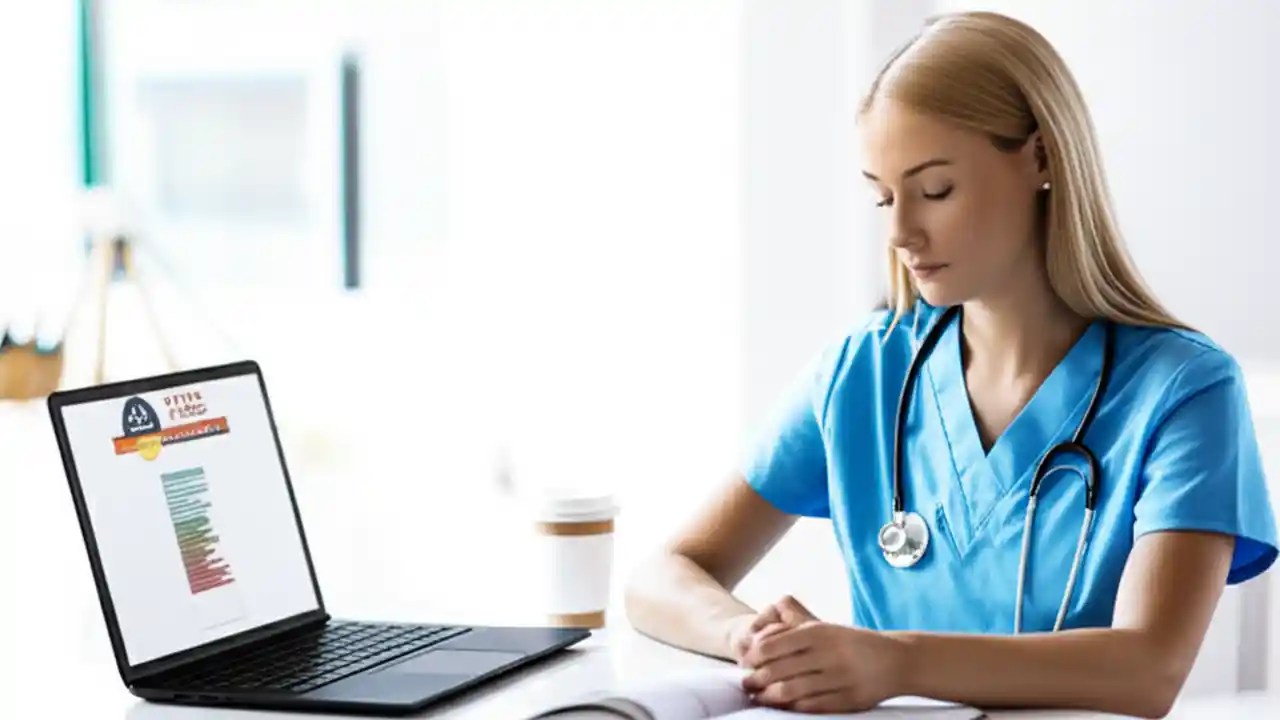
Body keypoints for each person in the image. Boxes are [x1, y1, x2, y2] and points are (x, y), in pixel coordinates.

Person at [623, 10, 1278, 719]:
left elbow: (1150, 668)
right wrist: (750, 637)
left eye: (935, 190)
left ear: (1042, 158)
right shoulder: (864, 375)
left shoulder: (1184, 390)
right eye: (882, 196)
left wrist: (897, 661)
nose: (901, 232)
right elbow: (662, 576)